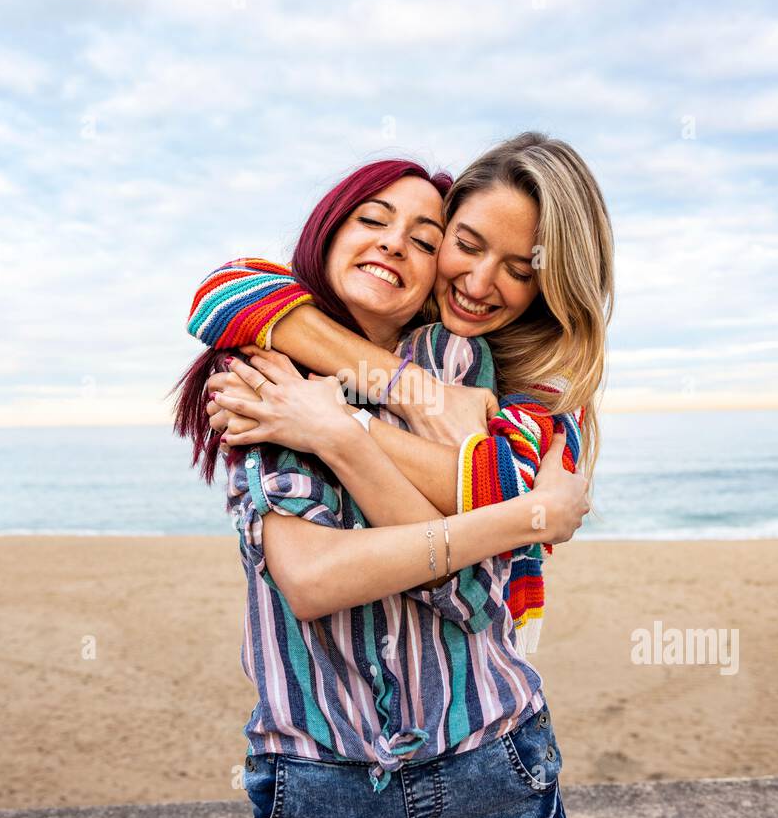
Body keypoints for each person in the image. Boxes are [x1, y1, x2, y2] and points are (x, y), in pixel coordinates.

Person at [169, 157, 590, 818]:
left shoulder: (469, 364)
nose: (397, 243)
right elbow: (310, 579)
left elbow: (471, 589)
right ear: (328, 232)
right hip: (320, 777)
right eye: (372, 220)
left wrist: (338, 430)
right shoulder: (270, 369)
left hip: (492, 755)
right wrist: (399, 395)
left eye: (424, 238)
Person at [190, 131, 615, 656]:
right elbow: (222, 294)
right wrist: (408, 388)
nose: (479, 284)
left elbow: (506, 502)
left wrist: (336, 426)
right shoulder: (307, 359)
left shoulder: (534, 377)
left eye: (519, 270)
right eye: (466, 246)